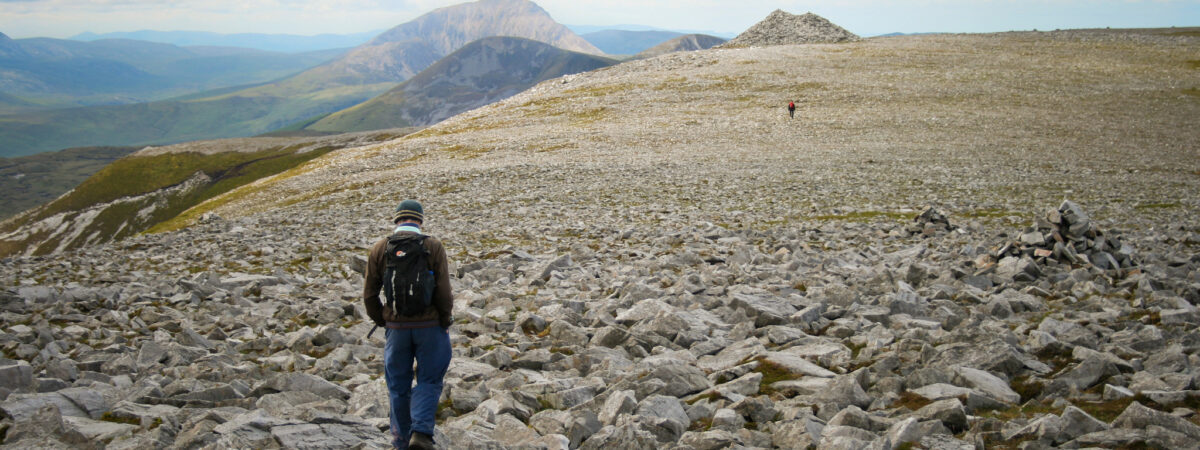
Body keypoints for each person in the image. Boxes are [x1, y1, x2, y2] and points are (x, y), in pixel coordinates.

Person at [363, 199, 454, 450]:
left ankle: (401, 441)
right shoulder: (433, 246)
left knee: (398, 385)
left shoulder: (380, 249)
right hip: (431, 327)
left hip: (397, 329)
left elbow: (369, 295)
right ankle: (421, 433)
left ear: (397, 220)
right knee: (429, 379)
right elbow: (444, 291)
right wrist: (445, 320)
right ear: (420, 220)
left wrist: (384, 320)